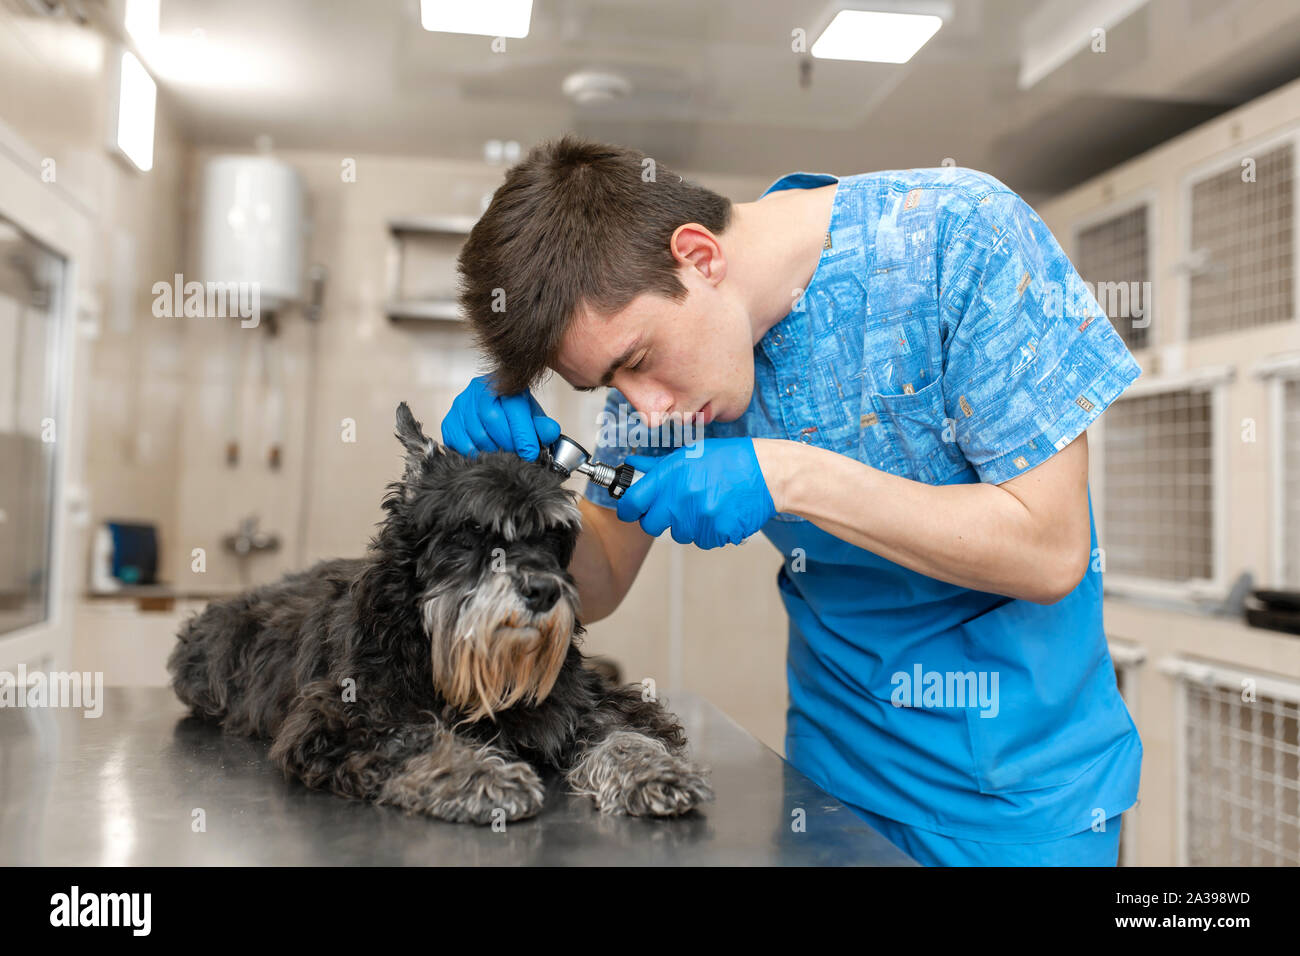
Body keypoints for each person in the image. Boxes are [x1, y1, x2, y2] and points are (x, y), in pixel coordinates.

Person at [439, 135, 1141, 866]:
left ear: (699, 257)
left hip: (1019, 792)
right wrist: (502, 492)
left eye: (637, 362)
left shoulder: (959, 238)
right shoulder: (657, 386)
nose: (645, 411)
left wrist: (787, 474)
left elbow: (1050, 549)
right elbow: (604, 578)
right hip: (834, 771)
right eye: (610, 386)